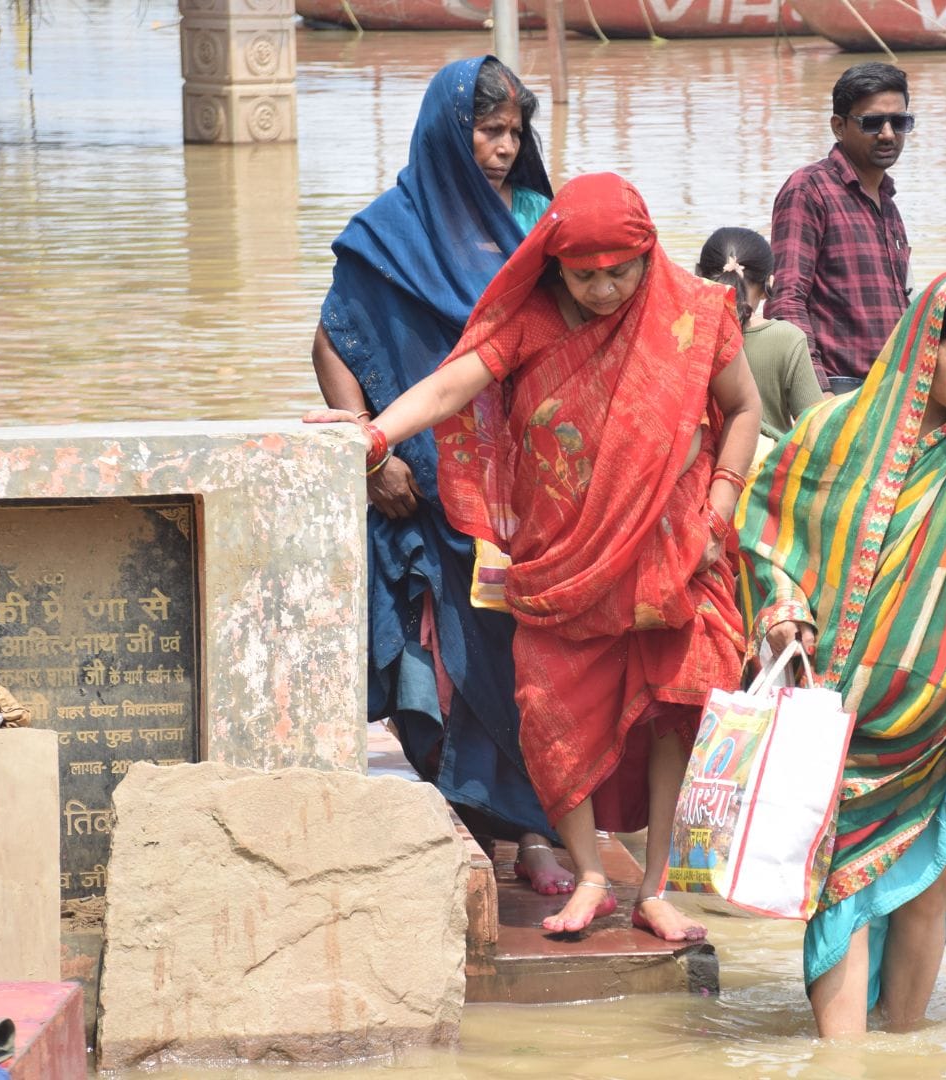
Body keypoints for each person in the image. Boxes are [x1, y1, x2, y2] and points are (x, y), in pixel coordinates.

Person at [306, 173, 763, 942]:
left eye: (622, 270)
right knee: (552, 712)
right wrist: (376, 434)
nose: (606, 288)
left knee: (671, 712)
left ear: (648, 253)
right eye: (585, 274)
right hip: (562, 558)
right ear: (554, 264)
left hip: (673, 547)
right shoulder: (532, 320)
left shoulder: (694, 313)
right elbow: (452, 386)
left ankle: (654, 886)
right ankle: (589, 873)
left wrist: (719, 502)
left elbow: (744, 407)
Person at [736, 271, 946, 1037]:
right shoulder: (831, 432)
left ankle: (904, 1043)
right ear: (924, 347)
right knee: (841, 893)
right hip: (839, 724)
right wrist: (784, 609)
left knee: (923, 887)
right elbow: (763, 527)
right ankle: (845, 1054)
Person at [310, 56, 571, 895]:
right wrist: (370, 450)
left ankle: (531, 831)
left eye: (513, 133)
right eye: (487, 131)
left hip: (521, 493)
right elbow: (334, 338)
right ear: (446, 132)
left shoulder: (537, 220)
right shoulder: (390, 229)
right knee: (441, 659)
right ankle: (468, 825)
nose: (502, 148)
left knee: (524, 659)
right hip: (419, 488)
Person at [767, 63, 913, 394]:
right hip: (838, 388)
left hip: (890, 391)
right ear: (839, 126)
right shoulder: (810, 189)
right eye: (873, 122)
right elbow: (786, 298)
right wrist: (817, 393)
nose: (888, 134)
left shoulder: (888, 204)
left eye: (900, 122)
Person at [694, 228, 822, 443]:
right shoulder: (787, 338)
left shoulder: (684, 334)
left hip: (702, 469)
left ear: (699, 275)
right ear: (768, 285)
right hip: (768, 471)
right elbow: (816, 429)